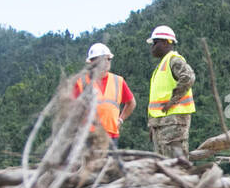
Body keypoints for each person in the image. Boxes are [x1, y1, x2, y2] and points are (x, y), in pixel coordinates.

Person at [145, 25, 196, 158]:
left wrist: (172, 101)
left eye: (155, 43)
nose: (152, 47)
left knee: (177, 164)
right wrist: (153, 125)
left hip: (174, 122)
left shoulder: (174, 59)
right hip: (162, 124)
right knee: (165, 165)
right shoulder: (162, 65)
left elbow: (188, 77)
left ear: (166, 42)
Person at [73, 43, 135, 148]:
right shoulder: (81, 82)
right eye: (102, 59)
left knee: (110, 164)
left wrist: (120, 120)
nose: (106, 62)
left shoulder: (118, 81)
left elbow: (131, 103)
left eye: (108, 59)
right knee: (91, 164)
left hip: (111, 135)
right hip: (89, 136)